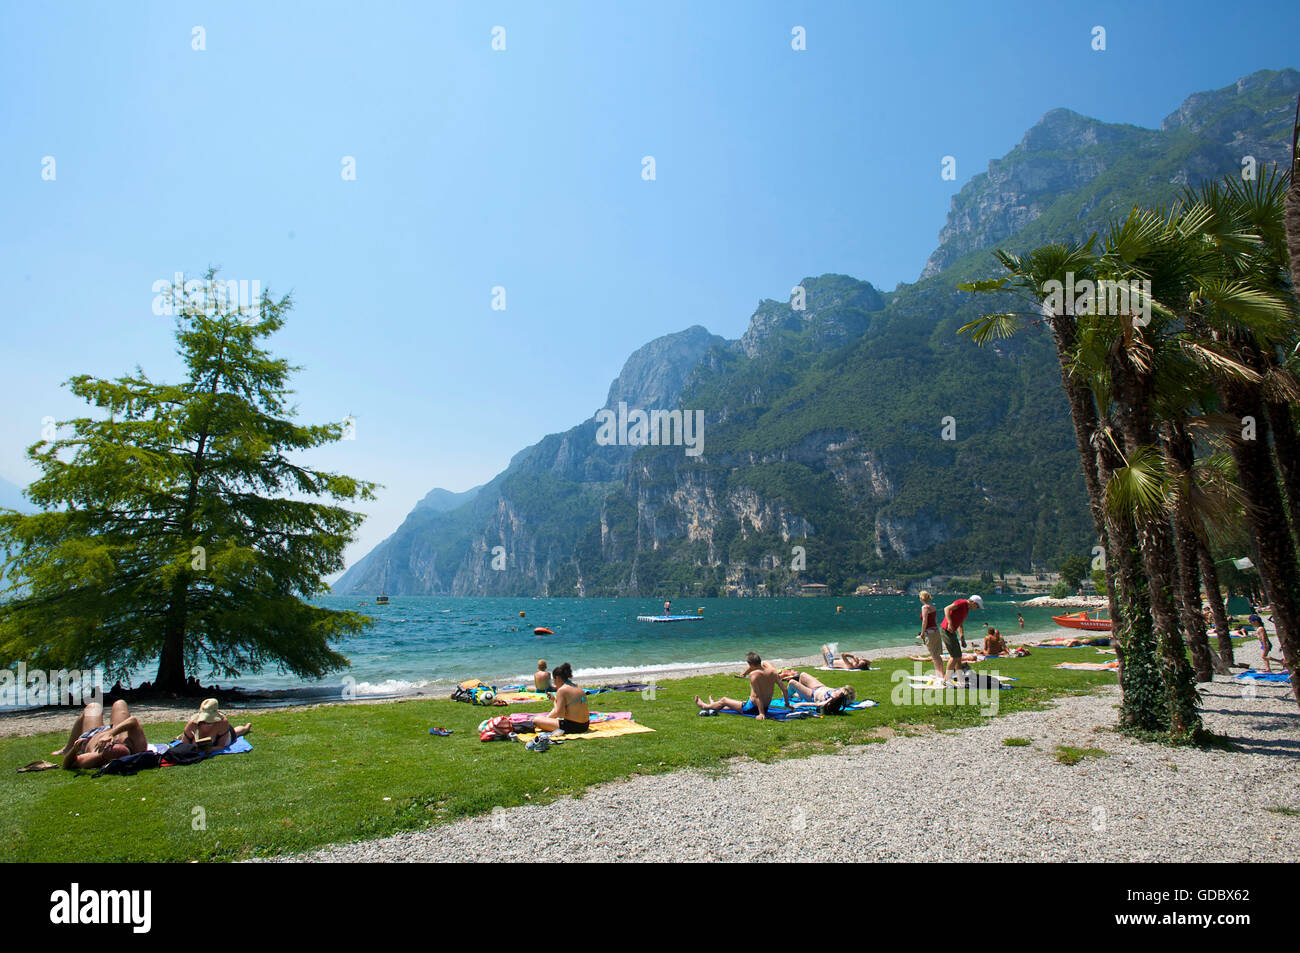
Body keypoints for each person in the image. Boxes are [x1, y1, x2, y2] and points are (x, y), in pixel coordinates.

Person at [51, 700, 149, 771]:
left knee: (93, 706)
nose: (109, 743)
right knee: (120, 703)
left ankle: (67, 748)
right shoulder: (137, 747)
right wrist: (111, 733)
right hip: (114, 729)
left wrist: (73, 750)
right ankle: (113, 732)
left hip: (92, 735)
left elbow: (67, 765)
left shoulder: (94, 757)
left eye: (108, 746)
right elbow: (133, 720)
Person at [696, 652, 787, 720]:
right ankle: (712, 704)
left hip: (753, 709)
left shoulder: (754, 675)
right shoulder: (773, 672)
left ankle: (705, 706)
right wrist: (787, 704)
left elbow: (756, 696)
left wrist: (761, 714)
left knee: (724, 700)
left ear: (750, 665)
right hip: (765, 707)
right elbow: (784, 689)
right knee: (730, 705)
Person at [531, 662, 589, 734]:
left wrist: (555, 701)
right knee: (546, 719)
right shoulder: (577, 687)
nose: (554, 683)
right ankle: (546, 719)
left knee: (536, 720)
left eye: (554, 680)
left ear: (557, 678)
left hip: (574, 727)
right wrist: (554, 700)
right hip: (585, 725)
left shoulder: (562, 690)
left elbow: (559, 714)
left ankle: (544, 719)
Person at [940, 594, 983, 681]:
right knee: (955, 657)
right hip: (946, 630)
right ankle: (946, 680)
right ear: (974, 603)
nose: (976, 609)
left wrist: (962, 637)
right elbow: (946, 609)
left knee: (958, 656)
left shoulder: (966, 610)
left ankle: (960, 677)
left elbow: (960, 624)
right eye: (977, 607)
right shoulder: (961, 602)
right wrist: (950, 623)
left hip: (952, 632)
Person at [181, 698, 251, 750]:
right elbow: (184, 744)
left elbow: (221, 745)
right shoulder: (193, 723)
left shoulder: (222, 722)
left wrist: (212, 749)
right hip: (206, 738)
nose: (206, 723)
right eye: (203, 721)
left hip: (224, 734)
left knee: (236, 732)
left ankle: (247, 727)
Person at [781, 671, 855, 713]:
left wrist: (800, 704)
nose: (837, 690)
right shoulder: (838, 693)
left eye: (839, 691)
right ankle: (799, 694)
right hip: (819, 687)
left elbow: (816, 704)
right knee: (803, 675)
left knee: (792, 682)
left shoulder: (828, 702)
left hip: (811, 695)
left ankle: (788, 695)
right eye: (838, 689)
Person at [917, 591, 944, 680]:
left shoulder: (924, 607)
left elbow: (925, 621)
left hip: (929, 632)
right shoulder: (933, 607)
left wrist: (922, 633)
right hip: (936, 630)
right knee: (938, 654)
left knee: (934, 655)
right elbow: (935, 619)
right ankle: (941, 674)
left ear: (921, 598)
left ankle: (938, 675)